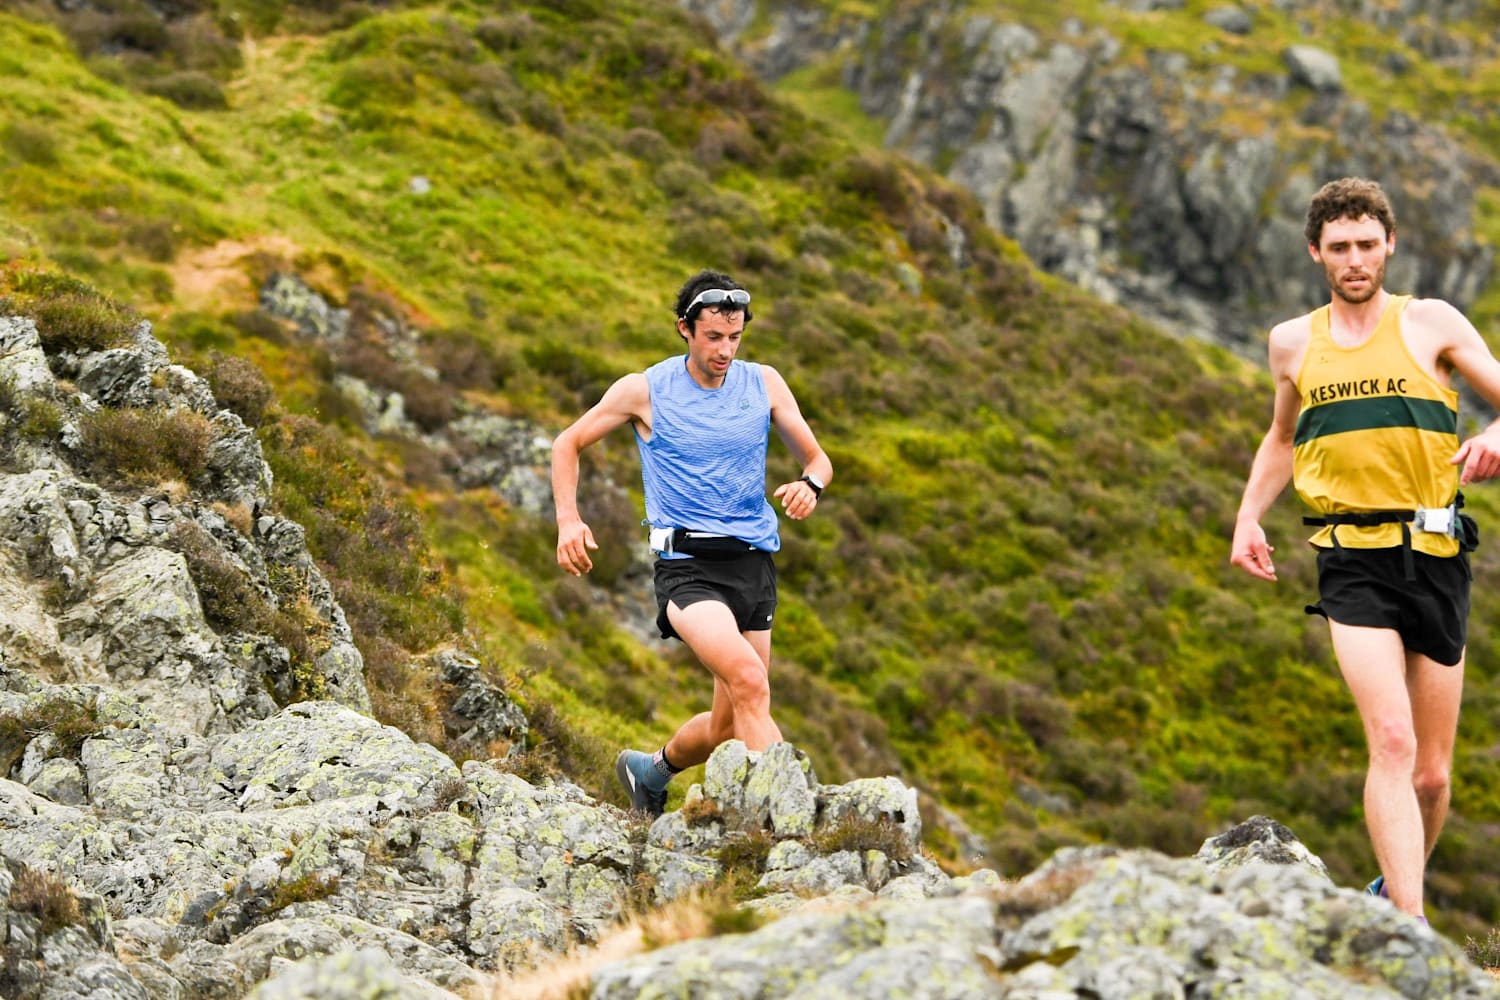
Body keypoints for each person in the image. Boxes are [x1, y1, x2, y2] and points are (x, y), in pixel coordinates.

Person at [1230, 177, 1500, 922]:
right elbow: (1284, 438)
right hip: (1350, 558)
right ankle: (1407, 927)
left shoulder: (1432, 324)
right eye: (1340, 247)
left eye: (1367, 245)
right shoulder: (1293, 342)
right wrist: (1249, 516)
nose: (1355, 259)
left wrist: (1494, 436)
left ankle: (1388, 891)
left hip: (1437, 552)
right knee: (1390, 738)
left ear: (1389, 246)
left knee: (1433, 776)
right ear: (1317, 253)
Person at [551, 269, 832, 817]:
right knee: (751, 682)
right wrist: (568, 520)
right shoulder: (645, 390)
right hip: (688, 569)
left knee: (728, 723)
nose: (725, 350)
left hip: (755, 566)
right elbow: (569, 443)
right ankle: (793, 822)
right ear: (685, 329)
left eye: (735, 337)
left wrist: (809, 485)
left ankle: (649, 770)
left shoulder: (765, 383)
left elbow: (817, 459)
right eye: (713, 338)